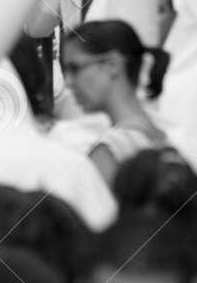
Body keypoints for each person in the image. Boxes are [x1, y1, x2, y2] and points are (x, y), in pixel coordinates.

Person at [60, 20, 170, 181]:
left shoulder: (108, 152)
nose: (68, 82)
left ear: (112, 65)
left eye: (75, 68)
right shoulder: (168, 135)